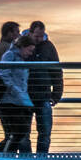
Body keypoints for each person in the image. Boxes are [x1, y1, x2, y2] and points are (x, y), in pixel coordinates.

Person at [27, 20, 63, 153]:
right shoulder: (22, 45)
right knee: (24, 134)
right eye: (36, 36)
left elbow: (56, 71)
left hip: (44, 96)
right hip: (25, 96)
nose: (39, 39)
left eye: (41, 36)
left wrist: (57, 95)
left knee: (45, 133)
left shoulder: (48, 46)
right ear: (30, 33)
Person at [0, 34, 37, 153]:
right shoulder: (9, 55)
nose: (30, 53)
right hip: (10, 101)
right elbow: (4, 74)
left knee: (18, 133)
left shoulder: (21, 58)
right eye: (29, 50)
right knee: (19, 131)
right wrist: (16, 92)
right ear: (22, 46)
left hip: (20, 101)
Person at [0, 21, 20, 151]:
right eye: (16, 32)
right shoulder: (8, 49)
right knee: (14, 133)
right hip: (6, 95)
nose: (18, 35)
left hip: (0, 95)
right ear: (9, 33)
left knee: (11, 133)